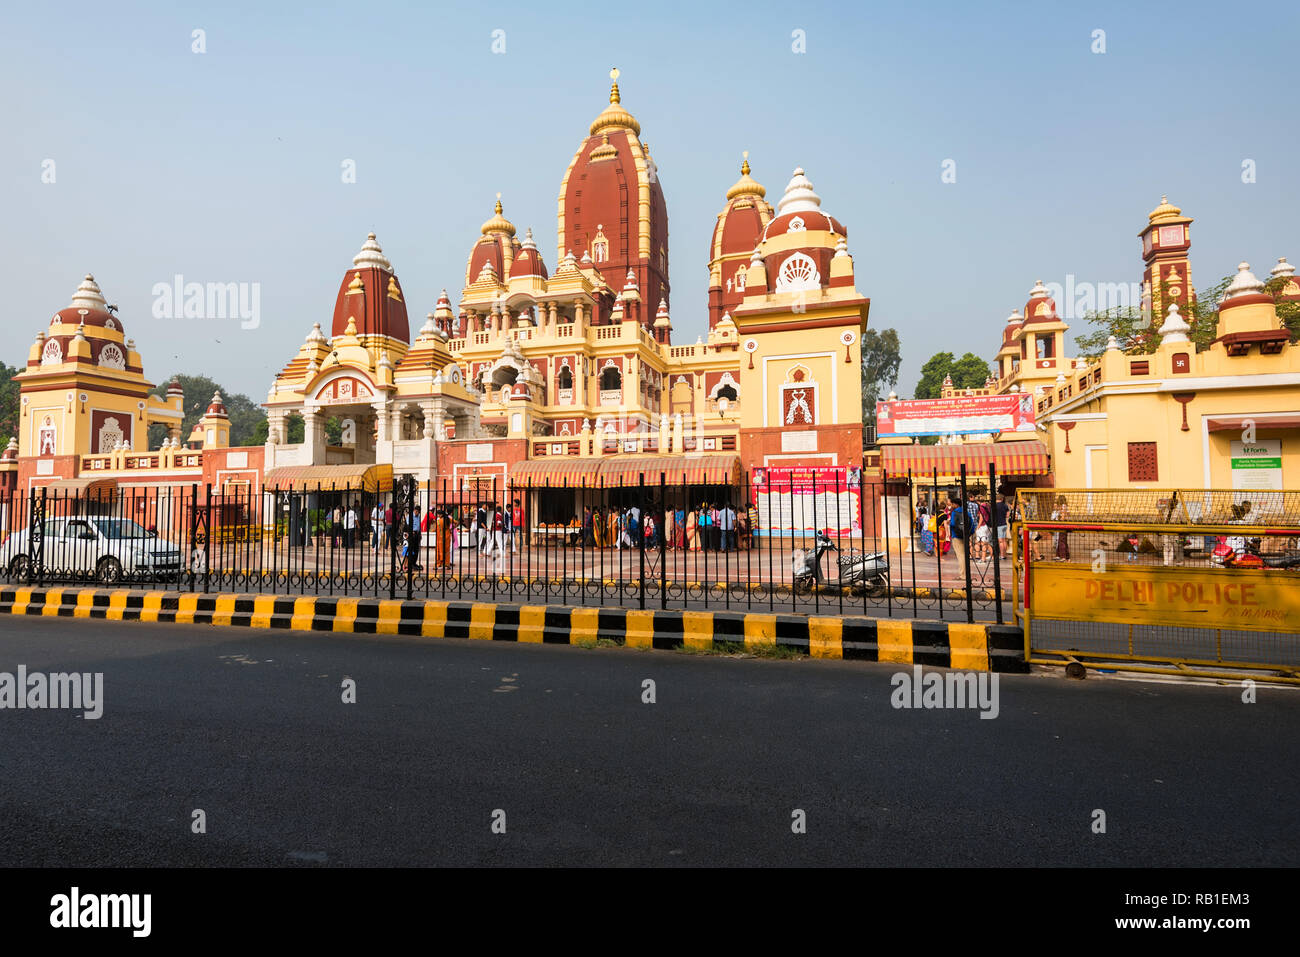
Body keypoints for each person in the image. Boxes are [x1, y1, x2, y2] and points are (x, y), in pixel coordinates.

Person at [947, 491, 973, 570]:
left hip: (956, 536)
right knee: (965, 554)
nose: (951, 505)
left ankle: (963, 574)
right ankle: (966, 573)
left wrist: (949, 522)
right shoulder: (966, 512)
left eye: (952, 504)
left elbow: (953, 524)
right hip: (965, 535)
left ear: (956, 504)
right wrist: (969, 533)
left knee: (960, 555)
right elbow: (972, 523)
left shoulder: (955, 512)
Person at [1049, 496, 1071, 561]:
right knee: (1061, 541)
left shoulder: (1063, 506)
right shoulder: (1064, 506)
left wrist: (1060, 520)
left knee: (1061, 541)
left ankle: (1063, 556)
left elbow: (1063, 516)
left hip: (1063, 526)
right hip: (1063, 525)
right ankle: (1062, 556)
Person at [994, 495, 1011, 560]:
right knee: (1004, 540)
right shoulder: (1005, 505)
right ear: (1002, 499)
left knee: (1000, 541)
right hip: (1004, 524)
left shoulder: (994, 506)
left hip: (998, 524)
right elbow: (1007, 515)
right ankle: (1004, 554)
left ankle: (1002, 555)